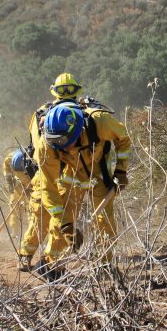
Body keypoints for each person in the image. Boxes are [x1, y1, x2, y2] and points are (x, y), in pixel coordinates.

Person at [18, 103, 131, 275]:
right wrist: (65, 225)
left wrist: (121, 170)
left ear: (78, 130)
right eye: (55, 142)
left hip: (98, 172)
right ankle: (52, 266)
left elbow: (124, 139)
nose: (61, 147)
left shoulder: (100, 122)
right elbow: (49, 188)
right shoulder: (46, 146)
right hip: (70, 175)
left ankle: (104, 265)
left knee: (104, 220)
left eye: (64, 142)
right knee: (61, 220)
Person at [2, 149, 31, 232]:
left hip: (31, 189)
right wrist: (9, 181)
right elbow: (6, 167)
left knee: (31, 210)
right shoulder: (10, 158)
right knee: (14, 209)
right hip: (17, 186)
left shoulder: (32, 160)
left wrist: (30, 188)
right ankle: (15, 233)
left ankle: (34, 235)